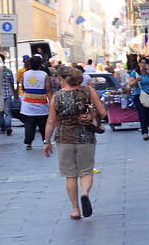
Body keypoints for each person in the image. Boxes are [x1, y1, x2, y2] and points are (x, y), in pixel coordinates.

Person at [43, 67, 107, 219]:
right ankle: (85, 193)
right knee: (86, 171)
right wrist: (93, 115)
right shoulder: (88, 91)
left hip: (65, 139)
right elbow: (103, 113)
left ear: (63, 80)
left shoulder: (57, 96)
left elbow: (51, 121)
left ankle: (75, 210)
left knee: (70, 175)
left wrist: (47, 142)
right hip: (86, 137)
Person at [18, 55, 54, 150]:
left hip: (28, 104)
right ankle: (45, 141)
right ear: (40, 65)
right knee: (43, 125)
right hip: (41, 104)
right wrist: (51, 103)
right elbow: (48, 90)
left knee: (29, 125)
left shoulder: (25, 74)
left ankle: (28, 143)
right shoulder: (44, 75)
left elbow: (23, 88)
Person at [126, 55, 149, 140]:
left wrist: (148, 71)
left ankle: (148, 126)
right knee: (142, 114)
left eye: (144, 63)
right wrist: (137, 80)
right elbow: (130, 84)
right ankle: (145, 133)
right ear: (138, 64)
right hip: (138, 95)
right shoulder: (134, 73)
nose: (142, 64)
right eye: (141, 63)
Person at [0, 62, 15, 136]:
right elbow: (11, 83)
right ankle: (8, 127)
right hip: (7, 94)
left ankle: (2, 128)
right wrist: (14, 93)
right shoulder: (8, 71)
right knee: (7, 112)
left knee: (1, 112)